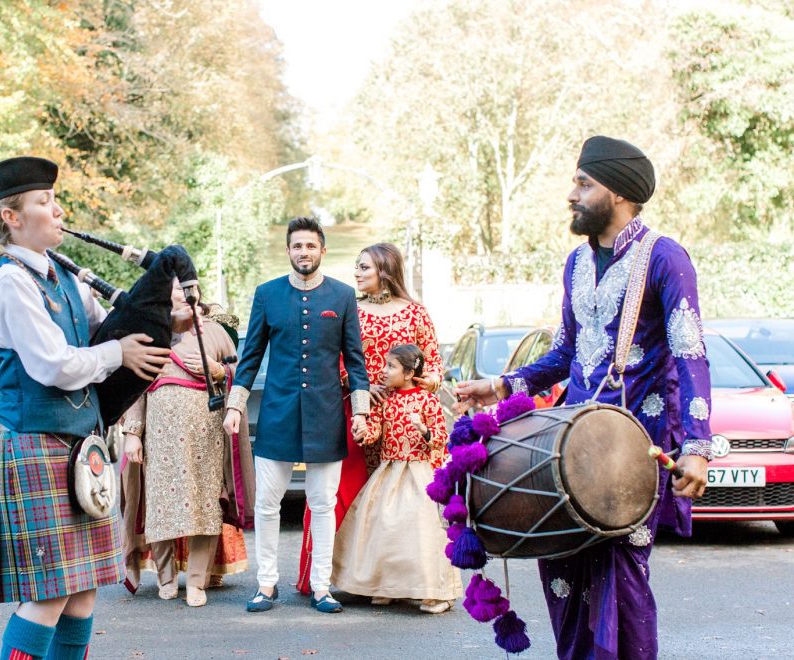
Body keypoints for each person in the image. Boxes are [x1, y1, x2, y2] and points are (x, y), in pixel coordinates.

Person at [454, 136, 712, 660]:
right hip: (572, 444)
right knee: (561, 571)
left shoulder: (664, 258)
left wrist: (699, 447)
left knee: (623, 582)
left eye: (583, 182)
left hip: (634, 452)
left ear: (618, 192)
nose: (571, 193)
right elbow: (567, 353)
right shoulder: (576, 262)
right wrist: (503, 385)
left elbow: (691, 355)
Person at [0, 156, 184, 659]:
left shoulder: (64, 278)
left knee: (83, 592)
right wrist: (119, 353)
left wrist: (157, 312)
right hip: (33, 446)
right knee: (49, 594)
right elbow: (52, 364)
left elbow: (101, 330)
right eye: (43, 202)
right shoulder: (10, 282)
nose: (58, 209)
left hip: (78, 448)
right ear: (12, 218)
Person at [223, 216, 370, 614]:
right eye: (297, 246)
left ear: (322, 250)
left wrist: (361, 412)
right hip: (278, 413)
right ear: (288, 251)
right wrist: (235, 406)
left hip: (326, 416)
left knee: (322, 503)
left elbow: (356, 362)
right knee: (268, 504)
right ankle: (266, 584)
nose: (303, 252)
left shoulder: (342, 297)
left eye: (310, 245)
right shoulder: (267, 294)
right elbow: (250, 355)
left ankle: (322, 587)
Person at [297, 242, 444, 594]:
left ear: (385, 271)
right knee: (343, 494)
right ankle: (329, 578)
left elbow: (435, 363)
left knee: (400, 507)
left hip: (405, 421)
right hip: (358, 412)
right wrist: (361, 387)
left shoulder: (415, 313)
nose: (357, 273)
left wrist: (424, 382)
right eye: (357, 267)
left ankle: (393, 583)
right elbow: (332, 358)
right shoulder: (350, 309)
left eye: (364, 267)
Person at [118, 280, 247, 607]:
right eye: (173, 287)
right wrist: (133, 431)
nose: (181, 292)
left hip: (206, 430)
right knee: (161, 505)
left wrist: (218, 372)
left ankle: (196, 582)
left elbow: (237, 373)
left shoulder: (216, 330)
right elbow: (135, 383)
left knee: (204, 505)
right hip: (160, 433)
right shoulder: (150, 332)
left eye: (186, 286)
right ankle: (165, 578)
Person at [332, 344, 461, 613]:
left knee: (420, 530)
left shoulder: (427, 400)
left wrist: (424, 431)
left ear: (409, 371)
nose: (384, 371)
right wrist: (362, 431)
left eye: (391, 366)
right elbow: (375, 431)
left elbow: (441, 438)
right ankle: (385, 586)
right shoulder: (386, 400)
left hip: (419, 472)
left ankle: (435, 592)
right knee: (382, 527)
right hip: (389, 472)